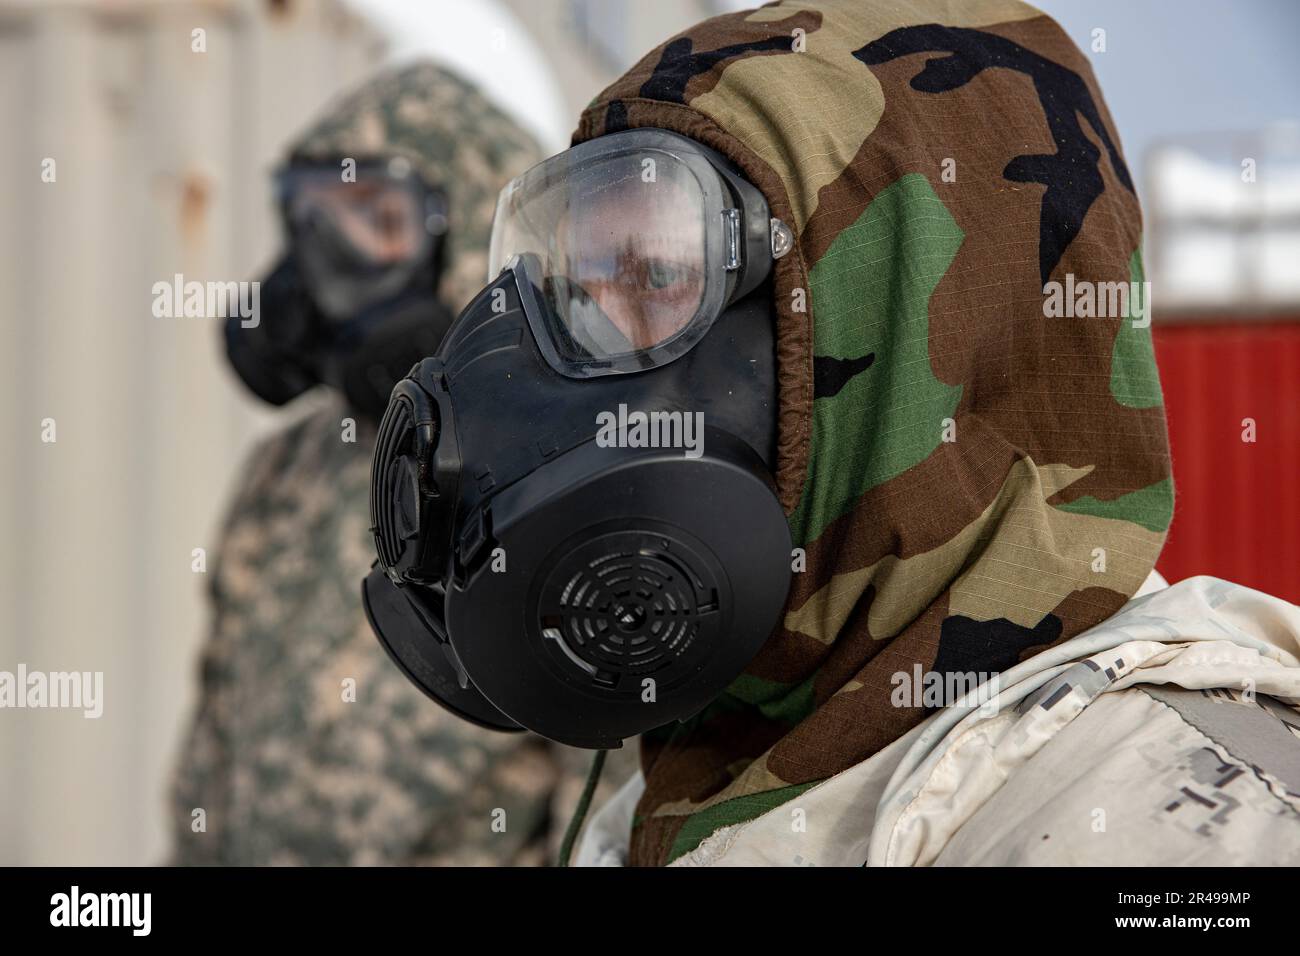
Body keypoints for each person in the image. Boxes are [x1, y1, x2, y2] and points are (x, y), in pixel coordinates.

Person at [360, 0, 1300, 868]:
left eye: (650, 279)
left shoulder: (1193, 823)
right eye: (578, 284)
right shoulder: (697, 782)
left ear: (885, 322)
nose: (574, 353)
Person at [170, 60, 627, 866]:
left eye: (377, 220)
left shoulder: (566, 479)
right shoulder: (287, 470)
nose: (333, 265)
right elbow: (212, 755)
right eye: (314, 219)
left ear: (472, 237)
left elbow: (607, 809)